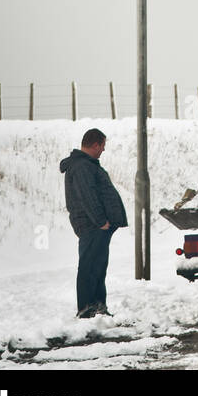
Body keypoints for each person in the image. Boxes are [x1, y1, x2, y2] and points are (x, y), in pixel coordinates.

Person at [59, 128, 128, 318]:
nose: (103, 150)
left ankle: (98, 306)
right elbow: (87, 196)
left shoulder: (86, 164)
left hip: (97, 226)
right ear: (96, 144)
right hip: (92, 225)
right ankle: (86, 309)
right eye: (103, 146)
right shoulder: (82, 166)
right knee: (89, 266)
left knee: (98, 266)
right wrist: (100, 221)